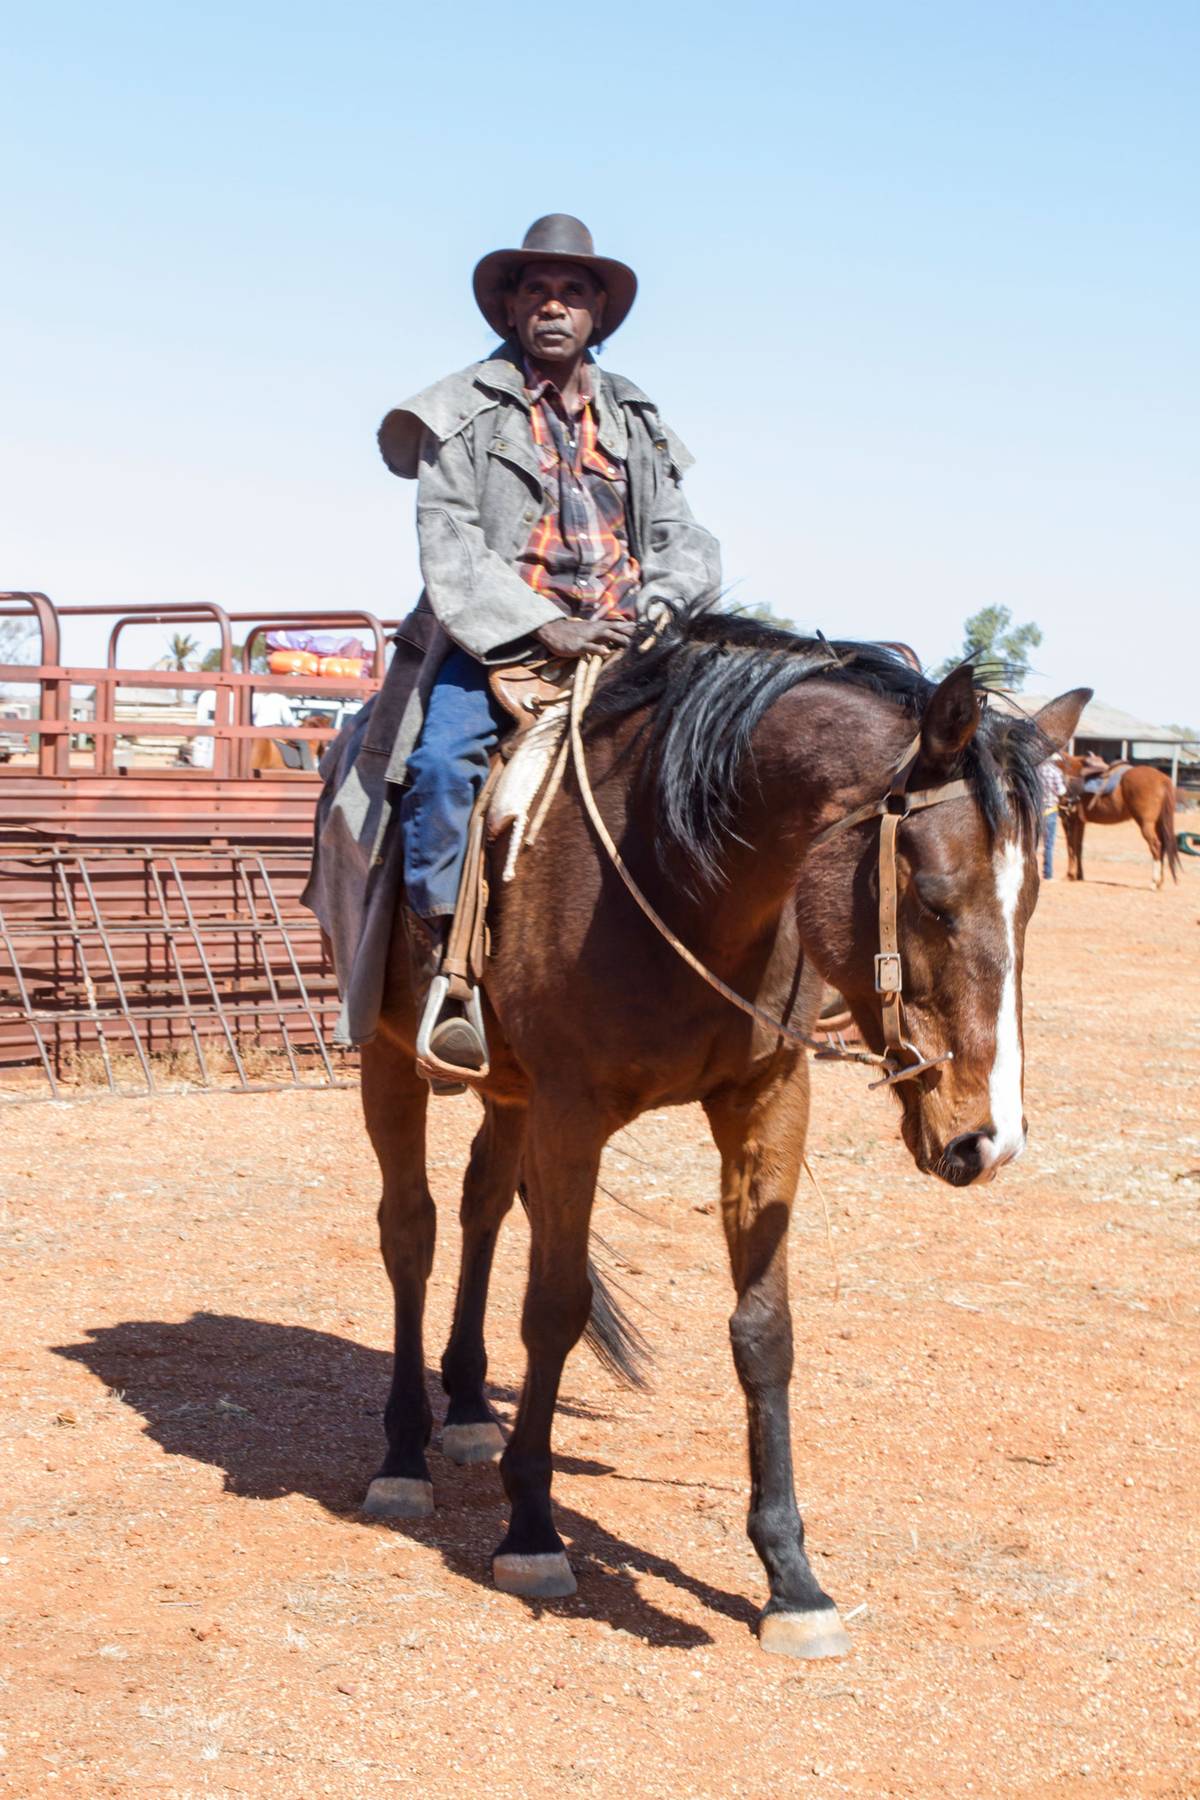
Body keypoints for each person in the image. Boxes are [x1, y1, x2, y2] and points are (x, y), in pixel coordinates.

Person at [373, 214, 722, 1073]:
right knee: (442, 766)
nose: (554, 306)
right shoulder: (459, 410)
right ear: (509, 309)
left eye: (572, 292)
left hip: (630, 640)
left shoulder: (634, 416)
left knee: (738, 758)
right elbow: (449, 538)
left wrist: (662, 610)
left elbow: (680, 534)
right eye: (537, 291)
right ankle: (444, 970)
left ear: (598, 313)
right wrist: (540, 623)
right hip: (500, 643)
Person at [1039, 753, 1066, 878]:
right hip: (1051, 810)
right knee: (1049, 844)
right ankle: (1048, 873)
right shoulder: (1055, 772)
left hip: (1037, 811)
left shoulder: (1037, 771)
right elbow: (1061, 791)